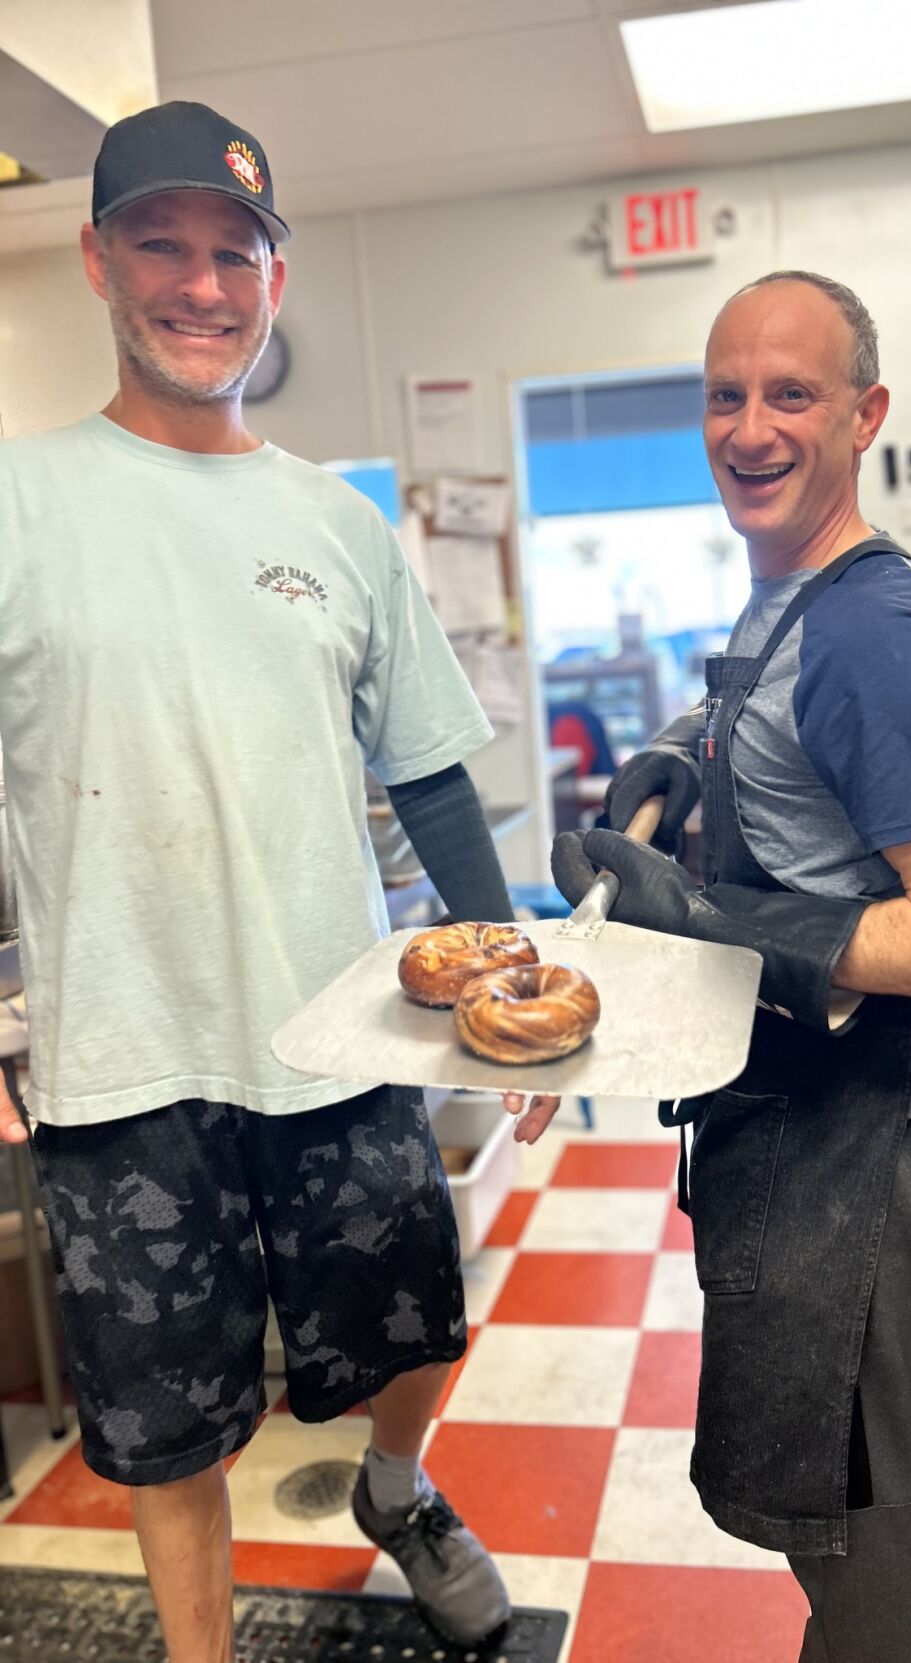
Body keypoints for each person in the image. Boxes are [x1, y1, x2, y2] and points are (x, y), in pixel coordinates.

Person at [0, 100, 560, 1663]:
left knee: (412, 1322)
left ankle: (398, 1485)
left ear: (277, 273)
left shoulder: (338, 522)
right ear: (101, 261)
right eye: (162, 247)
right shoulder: (19, 502)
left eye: (233, 251)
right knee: (169, 1424)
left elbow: (432, 769)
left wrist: (512, 978)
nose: (202, 284)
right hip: (121, 1059)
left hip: (344, 1027)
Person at [552, 272, 911, 1662]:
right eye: (727, 395)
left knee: (865, 1515)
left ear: (865, 414)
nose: (752, 427)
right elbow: (767, 746)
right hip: (854, 1122)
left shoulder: (867, 628)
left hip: (860, 1139)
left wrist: (712, 922)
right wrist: (666, 777)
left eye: (792, 395)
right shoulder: (793, 595)